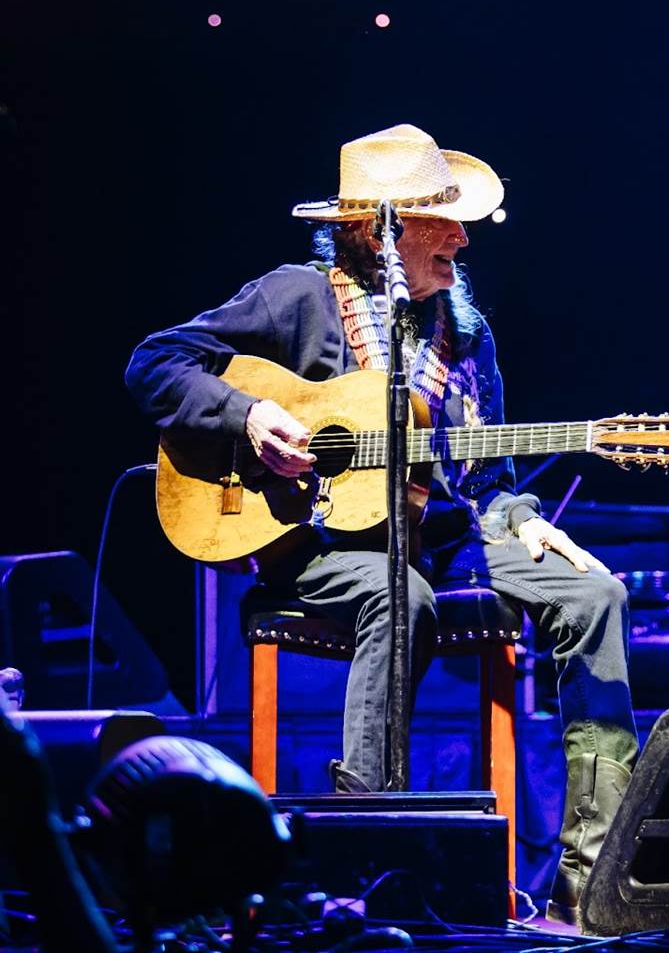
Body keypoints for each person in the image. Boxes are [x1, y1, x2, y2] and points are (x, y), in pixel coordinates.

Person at [124, 124, 637, 924]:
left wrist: (522, 519)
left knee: (596, 593)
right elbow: (153, 362)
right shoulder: (297, 296)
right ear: (378, 228)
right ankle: (363, 836)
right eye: (443, 217)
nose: (463, 238)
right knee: (400, 592)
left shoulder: (467, 335)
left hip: (449, 536)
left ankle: (595, 864)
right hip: (313, 542)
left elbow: (491, 482)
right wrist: (252, 413)